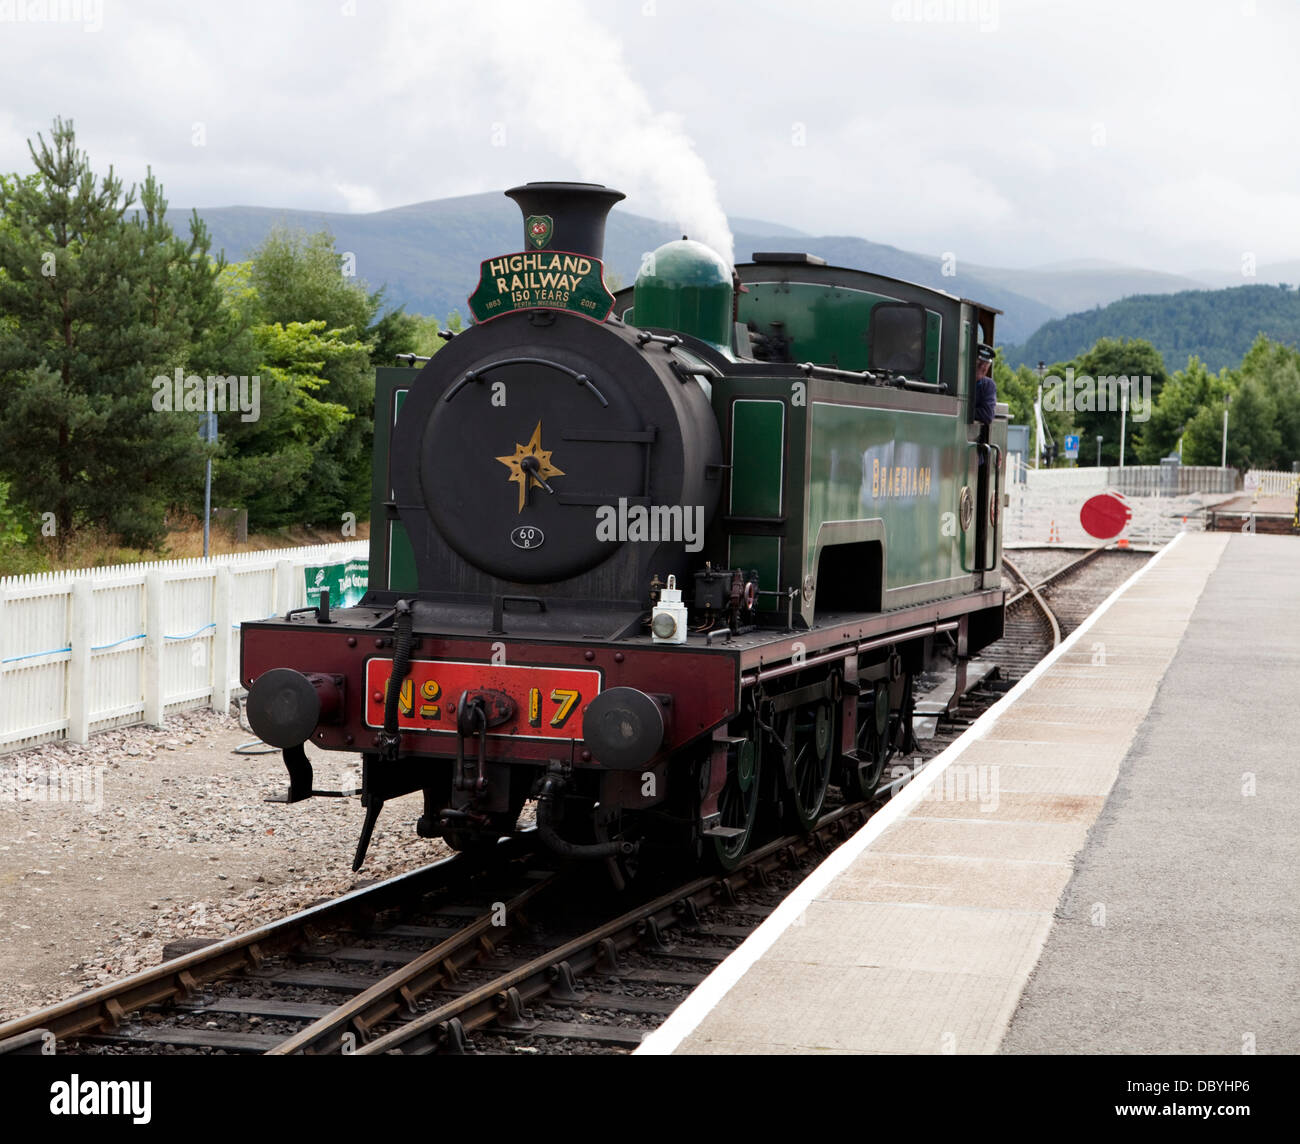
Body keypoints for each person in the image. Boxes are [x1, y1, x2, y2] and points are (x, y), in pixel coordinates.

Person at [974, 343, 997, 423]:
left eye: (986, 363)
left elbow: (987, 415)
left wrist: (965, 410)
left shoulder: (989, 385)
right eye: (979, 361)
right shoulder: (961, 379)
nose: (982, 366)